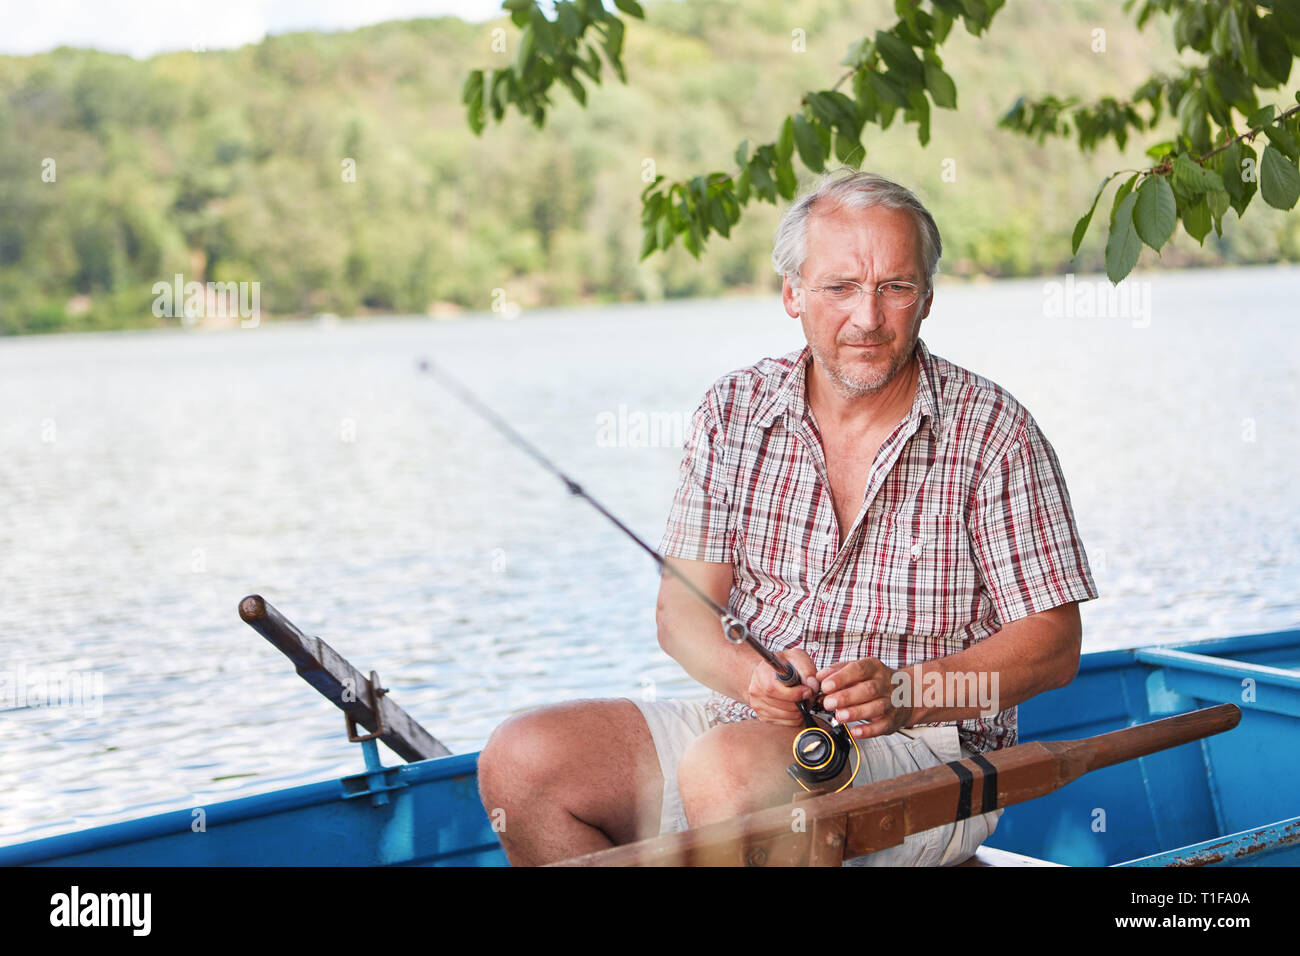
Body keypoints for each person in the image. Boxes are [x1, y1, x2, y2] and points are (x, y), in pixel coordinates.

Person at [476, 170, 1098, 866]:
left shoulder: (996, 432)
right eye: (839, 288)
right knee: (523, 760)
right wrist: (748, 679)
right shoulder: (733, 411)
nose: (867, 317)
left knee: (728, 774)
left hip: (930, 758)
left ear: (926, 298)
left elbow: (1054, 646)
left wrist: (909, 693)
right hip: (747, 728)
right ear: (793, 295)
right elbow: (681, 616)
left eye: (894, 286)